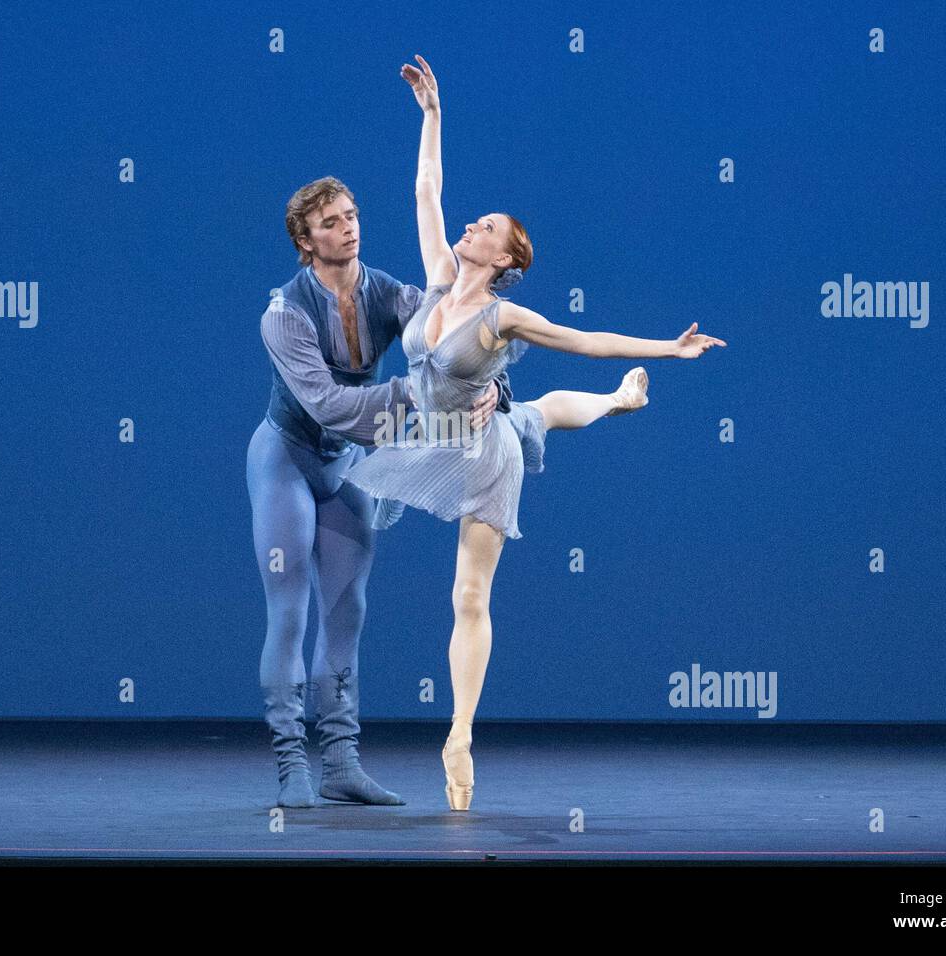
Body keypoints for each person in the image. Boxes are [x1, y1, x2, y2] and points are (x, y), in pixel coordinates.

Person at [342, 55, 727, 811]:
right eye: (473, 220)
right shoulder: (435, 281)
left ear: (507, 256)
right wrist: (432, 116)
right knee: (539, 410)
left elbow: (584, 338)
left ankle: (459, 732)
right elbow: (425, 189)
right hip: (438, 432)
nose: (469, 225)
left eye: (485, 227)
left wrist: (669, 350)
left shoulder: (503, 316)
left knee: (469, 593)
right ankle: (619, 403)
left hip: (482, 456)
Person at [248, 175, 515, 808]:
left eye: (352, 215)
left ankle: (341, 762)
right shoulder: (283, 313)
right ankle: (292, 764)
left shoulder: (390, 292)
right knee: (289, 613)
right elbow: (329, 404)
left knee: (347, 612)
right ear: (305, 242)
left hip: (346, 468)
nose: (349, 226)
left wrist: (490, 391)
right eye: (332, 222)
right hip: (285, 458)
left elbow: (457, 341)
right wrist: (416, 399)